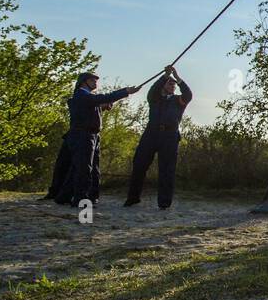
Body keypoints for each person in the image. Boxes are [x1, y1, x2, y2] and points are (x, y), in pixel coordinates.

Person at [56, 72, 138, 207]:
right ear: (84, 82)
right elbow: (103, 98)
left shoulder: (86, 97)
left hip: (92, 135)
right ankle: (81, 199)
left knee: (89, 168)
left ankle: (66, 196)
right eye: (92, 80)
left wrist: (102, 106)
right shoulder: (82, 95)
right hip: (83, 135)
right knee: (84, 169)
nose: (95, 83)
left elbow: (96, 104)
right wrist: (126, 91)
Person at [125, 66, 193, 209]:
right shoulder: (155, 98)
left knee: (167, 170)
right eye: (170, 83)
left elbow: (188, 94)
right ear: (163, 85)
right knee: (139, 164)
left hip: (170, 136)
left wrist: (177, 77)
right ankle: (133, 198)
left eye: (174, 84)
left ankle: (164, 203)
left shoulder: (178, 100)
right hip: (151, 134)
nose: (173, 86)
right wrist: (165, 75)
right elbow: (153, 90)